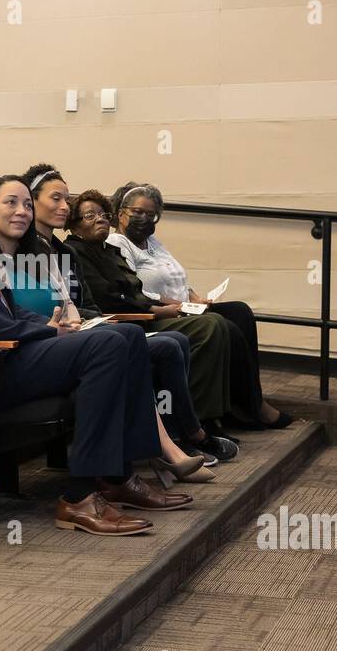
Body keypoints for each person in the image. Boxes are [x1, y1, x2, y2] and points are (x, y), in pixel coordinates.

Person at [0, 168, 191, 536]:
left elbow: (5, 309)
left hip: (5, 356)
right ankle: (79, 495)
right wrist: (42, 330)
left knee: (127, 335)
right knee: (109, 343)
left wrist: (51, 329)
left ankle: (119, 476)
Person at [20, 163, 236, 475]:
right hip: (56, 339)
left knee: (173, 339)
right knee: (145, 340)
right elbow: (38, 310)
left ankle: (180, 436)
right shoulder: (23, 252)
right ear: (34, 199)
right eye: (55, 198)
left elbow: (90, 304)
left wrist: (96, 320)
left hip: (88, 327)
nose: (64, 206)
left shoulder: (63, 251)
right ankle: (170, 445)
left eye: (67, 199)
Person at [65, 189, 244, 454]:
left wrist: (176, 304)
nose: (100, 219)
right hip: (126, 323)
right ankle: (190, 428)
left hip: (140, 318)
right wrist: (162, 311)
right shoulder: (75, 251)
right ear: (75, 224)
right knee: (205, 329)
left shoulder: (109, 251)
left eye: (103, 214)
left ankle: (201, 422)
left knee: (228, 317)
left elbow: (133, 290)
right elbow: (110, 298)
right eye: (90, 215)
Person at [106, 181, 291, 431]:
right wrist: (179, 305)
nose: (144, 219)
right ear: (121, 213)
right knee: (221, 325)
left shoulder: (154, 244)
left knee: (240, 312)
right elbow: (137, 292)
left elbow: (178, 278)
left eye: (151, 215)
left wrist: (195, 298)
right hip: (158, 315)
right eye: (138, 212)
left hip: (183, 309)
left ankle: (247, 402)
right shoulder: (117, 243)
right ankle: (239, 409)